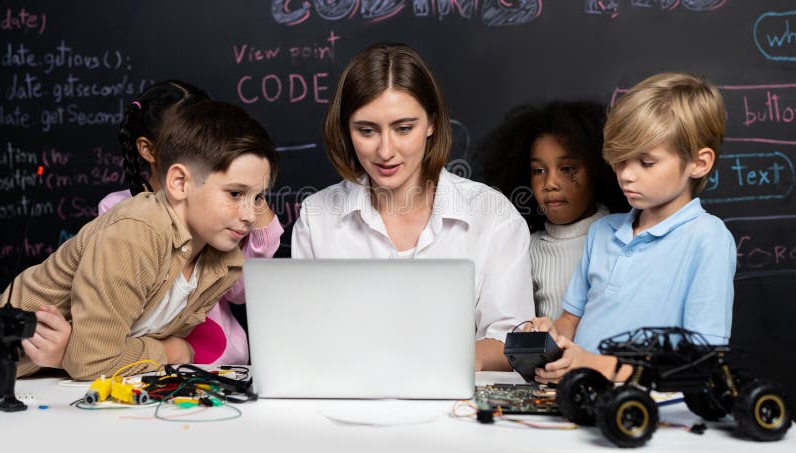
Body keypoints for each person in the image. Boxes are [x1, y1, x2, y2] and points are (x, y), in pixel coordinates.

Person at [291, 43, 534, 371]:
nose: (385, 150)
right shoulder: (317, 217)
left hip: (457, 407)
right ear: (346, 131)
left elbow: (510, 339)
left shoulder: (494, 216)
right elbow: (303, 336)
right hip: (346, 402)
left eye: (404, 128)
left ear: (431, 124)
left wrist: (430, 364)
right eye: (366, 131)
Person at [0, 99, 279, 380]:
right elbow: (93, 361)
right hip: (14, 374)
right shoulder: (135, 233)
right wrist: (174, 353)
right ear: (180, 183)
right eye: (234, 194)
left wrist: (72, 354)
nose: (250, 214)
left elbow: (98, 357)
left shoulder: (223, 259)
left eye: (258, 197)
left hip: (69, 384)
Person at [526, 72, 736, 383]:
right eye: (620, 160)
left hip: (648, 411)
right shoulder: (602, 232)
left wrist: (594, 365)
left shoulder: (708, 240)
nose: (626, 175)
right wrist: (551, 339)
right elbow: (572, 318)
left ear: (699, 163)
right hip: (580, 395)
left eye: (646, 162)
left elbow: (701, 363)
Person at [98, 81, 283, 365]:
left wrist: (248, 191)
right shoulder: (120, 212)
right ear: (148, 149)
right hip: (144, 365)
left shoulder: (224, 213)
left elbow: (240, 291)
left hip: (223, 366)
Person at [481, 101, 628, 319]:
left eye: (567, 169)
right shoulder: (524, 247)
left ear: (598, 170)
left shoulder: (624, 235)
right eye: (538, 170)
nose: (550, 183)